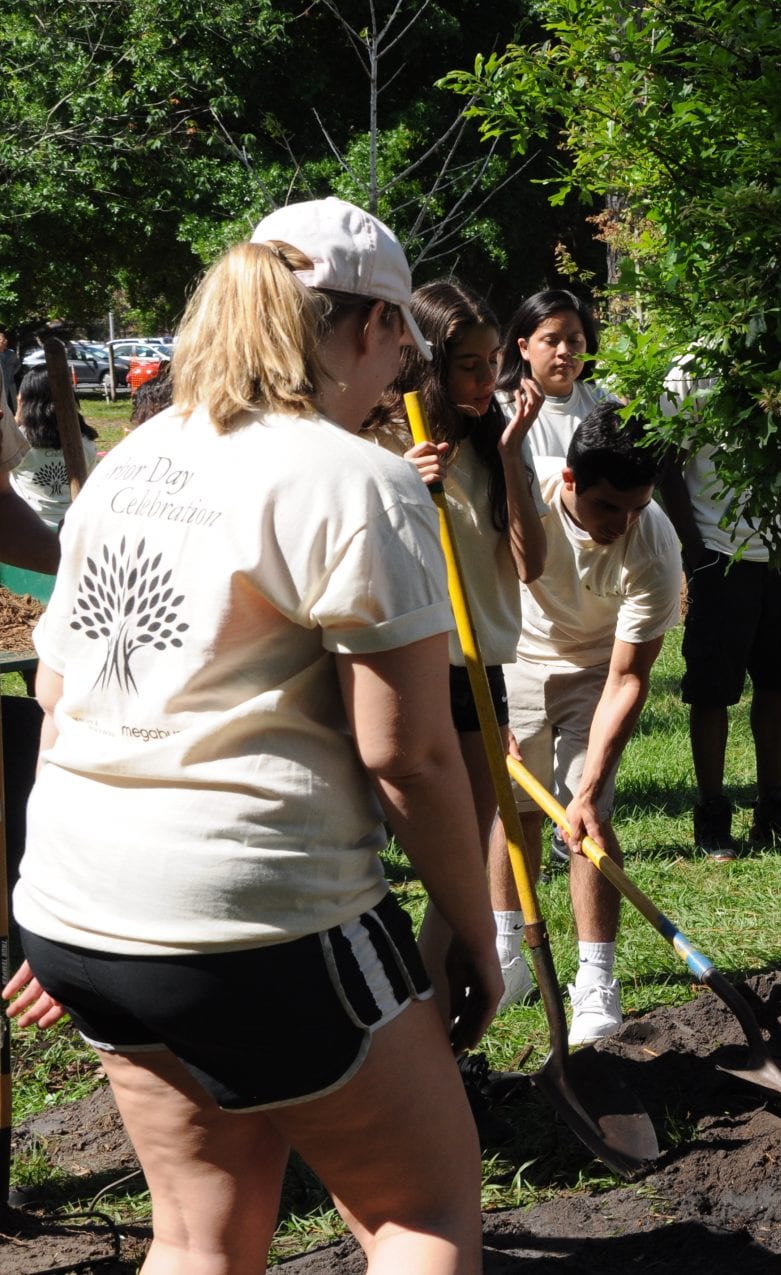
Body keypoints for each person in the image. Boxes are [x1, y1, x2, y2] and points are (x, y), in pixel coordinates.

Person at [3, 196, 499, 1273]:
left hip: (78, 918)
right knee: (421, 1219)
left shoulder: (133, 461)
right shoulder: (352, 480)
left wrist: (86, 899)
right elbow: (407, 753)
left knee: (198, 1233)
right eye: (401, 350)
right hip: (261, 923)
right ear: (366, 325)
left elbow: (59, 691)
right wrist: (472, 924)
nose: (399, 382)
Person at [373, 279, 548, 1009]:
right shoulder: (384, 437)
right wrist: (402, 486)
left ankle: (435, 1024)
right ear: (429, 365)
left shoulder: (493, 440)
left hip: (483, 670)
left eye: (493, 362)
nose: (488, 380)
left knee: (467, 865)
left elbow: (530, 563)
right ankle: (396, 1022)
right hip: (410, 669)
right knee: (400, 859)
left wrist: (511, 455)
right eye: (469, 365)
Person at [506, 401, 682, 1044]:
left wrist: (584, 790)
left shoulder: (654, 542)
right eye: (611, 507)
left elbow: (629, 677)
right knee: (512, 809)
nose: (624, 523)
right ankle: (507, 960)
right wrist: (487, 707)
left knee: (590, 818)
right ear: (573, 482)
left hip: (597, 670)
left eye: (637, 506)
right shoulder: (529, 491)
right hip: (515, 654)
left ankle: (595, 981)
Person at [658, 359, 781, 860]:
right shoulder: (690, 368)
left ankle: (772, 808)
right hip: (718, 547)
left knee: (777, 681)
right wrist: (694, 548)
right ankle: (712, 816)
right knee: (712, 689)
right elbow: (668, 460)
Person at [495, 289, 614, 460]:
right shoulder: (502, 410)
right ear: (524, 347)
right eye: (551, 341)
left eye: (574, 341)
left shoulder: (604, 403)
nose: (565, 351)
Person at [9, 367, 98, 528]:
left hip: (28, 527)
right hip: (74, 526)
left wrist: (17, 416)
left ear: (23, 399)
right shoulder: (85, 441)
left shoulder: (18, 441)